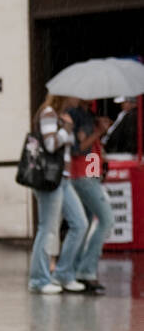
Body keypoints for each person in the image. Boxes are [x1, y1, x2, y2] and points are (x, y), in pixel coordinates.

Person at [28, 94, 86, 294]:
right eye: (75, 93)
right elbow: (51, 144)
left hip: (64, 179)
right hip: (50, 179)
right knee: (47, 228)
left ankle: (63, 273)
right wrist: (66, 130)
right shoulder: (48, 113)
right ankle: (39, 279)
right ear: (64, 95)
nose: (79, 97)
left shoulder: (63, 116)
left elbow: (68, 148)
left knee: (80, 223)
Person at [66, 101, 113, 294]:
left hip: (89, 173)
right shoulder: (77, 116)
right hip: (84, 175)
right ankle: (86, 270)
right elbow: (78, 148)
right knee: (106, 220)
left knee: (83, 223)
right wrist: (97, 132)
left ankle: (76, 269)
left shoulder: (87, 116)